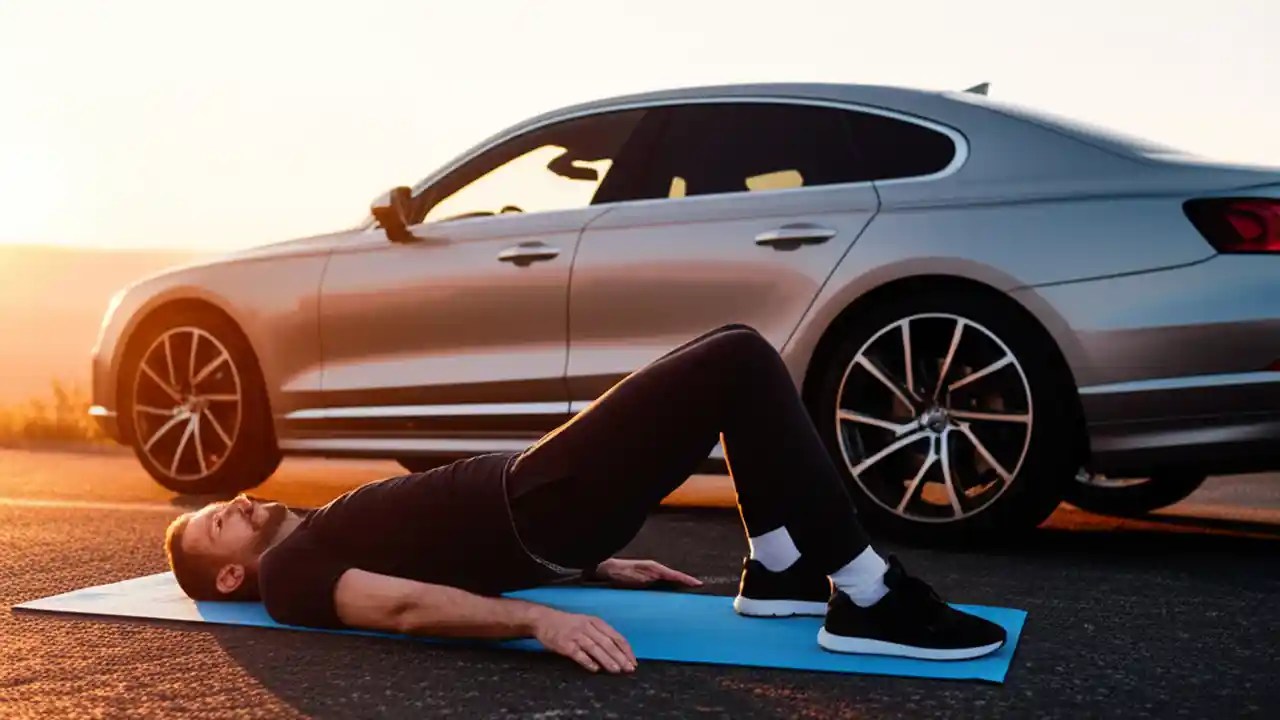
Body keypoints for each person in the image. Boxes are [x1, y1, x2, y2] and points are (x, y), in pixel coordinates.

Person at [164, 324, 1005, 674]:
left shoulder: (308, 541)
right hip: (541, 497)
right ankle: (867, 592)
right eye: (218, 521)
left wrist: (593, 566)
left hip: (551, 510)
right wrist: (539, 622)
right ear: (231, 577)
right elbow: (403, 609)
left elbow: (440, 556)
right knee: (741, 357)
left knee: (731, 362)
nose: (234, 502)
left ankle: (779, 573)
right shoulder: (289, 578)